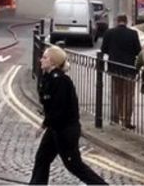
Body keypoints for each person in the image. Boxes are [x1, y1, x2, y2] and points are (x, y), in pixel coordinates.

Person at [30, 46, 107, 185]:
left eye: (45, 57)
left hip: (66, 130)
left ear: (53, 62)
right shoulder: (47, 77)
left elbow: (58, 109)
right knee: (42, 158)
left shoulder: (62, 81)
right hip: (55, 128)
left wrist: (43, 125)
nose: (41, 59)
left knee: (74, 165)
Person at [101, 14, 141, 129]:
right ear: (126, 21)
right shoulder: (133, 33)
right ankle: (126, 120)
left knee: (116, 93)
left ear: (117, 21)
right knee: (128, 94)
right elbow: (138, 50)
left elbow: (104, 49)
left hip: (114, 67)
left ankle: (115, 118)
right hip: (129, 67)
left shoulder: (109, 33)